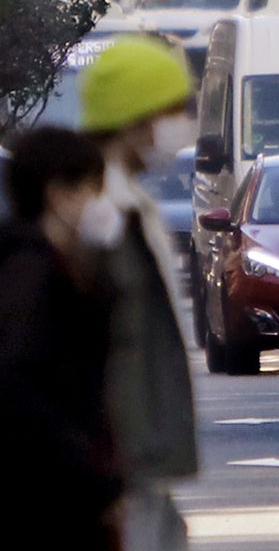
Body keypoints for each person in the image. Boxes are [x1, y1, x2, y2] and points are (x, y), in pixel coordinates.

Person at [80, 35, 198, 551]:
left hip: (142, 460)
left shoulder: (135, 205)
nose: (181, 124)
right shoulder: (101, 214)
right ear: (134, 116)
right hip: (117, 463)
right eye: (171, 109)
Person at [0, 127, 123, 547]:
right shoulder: (29, 272)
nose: (100, 204)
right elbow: (19, 386)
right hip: (46, 502)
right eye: (93, 188)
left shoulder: (59, 266)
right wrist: (94, 480)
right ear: (58, 193)